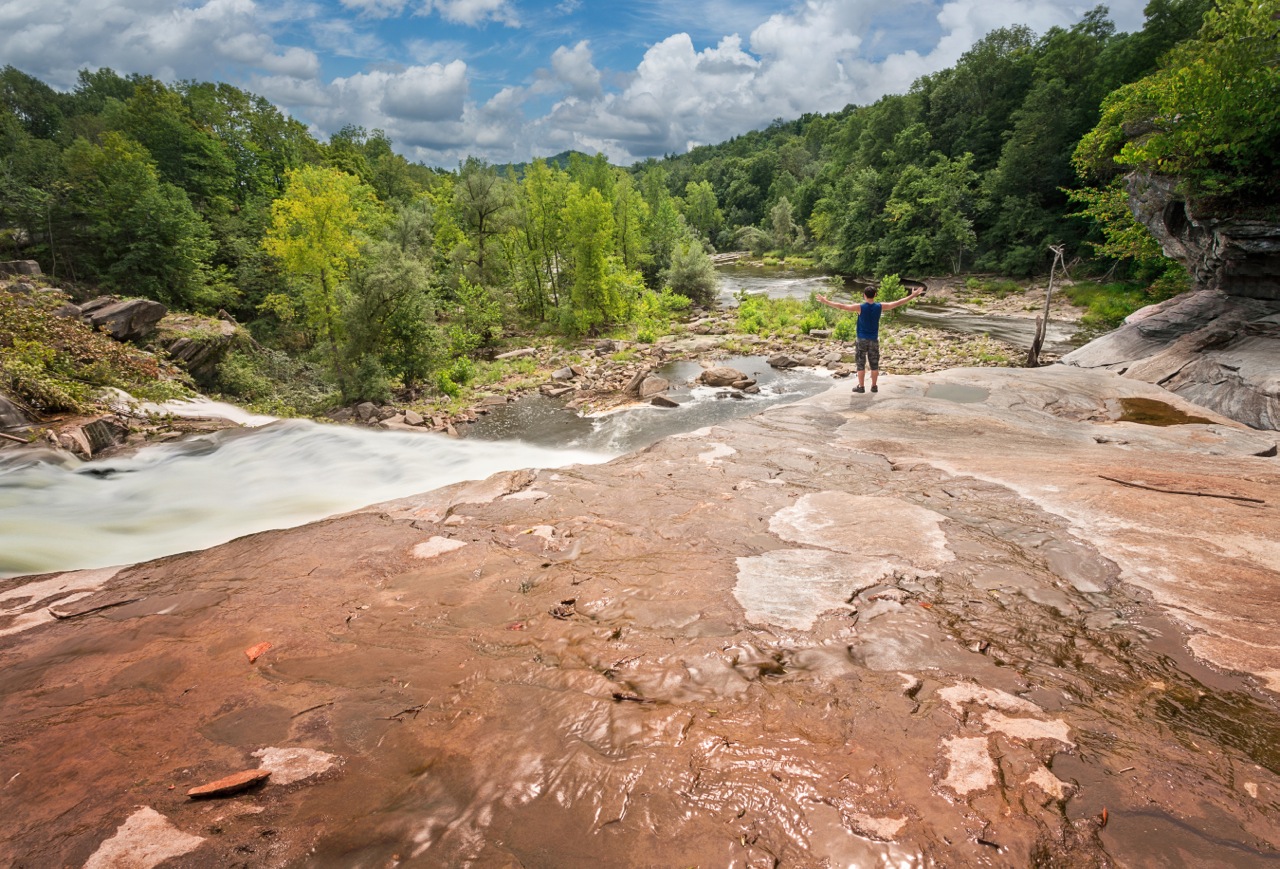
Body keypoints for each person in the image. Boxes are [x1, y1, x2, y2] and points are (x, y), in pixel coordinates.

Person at [816, 283, 926, 393]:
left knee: (860, 363)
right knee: (874, 364)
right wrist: (913, 295)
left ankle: (861, 387)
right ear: (875, 295)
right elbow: (897, 303)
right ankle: (874, 386)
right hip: (874, 340)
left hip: (861, 340)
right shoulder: (880, 306)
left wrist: (825, 301)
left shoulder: (860, 307)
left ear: (864, 295)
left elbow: (841, 306)